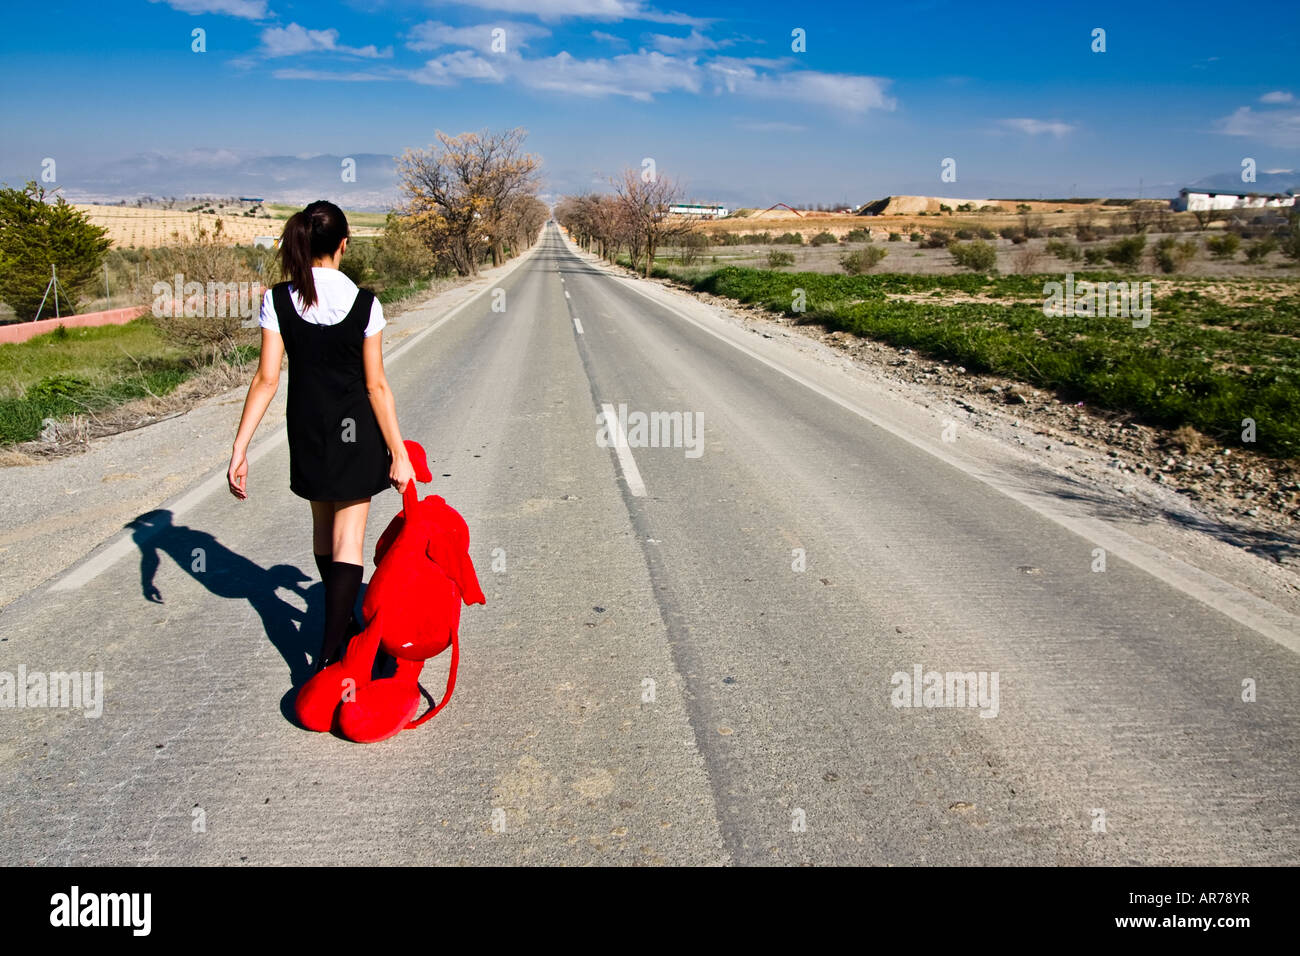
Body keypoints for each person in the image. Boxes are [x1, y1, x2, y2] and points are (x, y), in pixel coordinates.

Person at [227, 200, 415, 674]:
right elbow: (375, 385)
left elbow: (266, 379)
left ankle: (340, 624)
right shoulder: (366, 304)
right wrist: (398, 451)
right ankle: (331, 654)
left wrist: (240, 446)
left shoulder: (278, 299)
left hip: (307, 432)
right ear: (344, 244)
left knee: (323, 532)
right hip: (356, 435)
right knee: (349, 538)